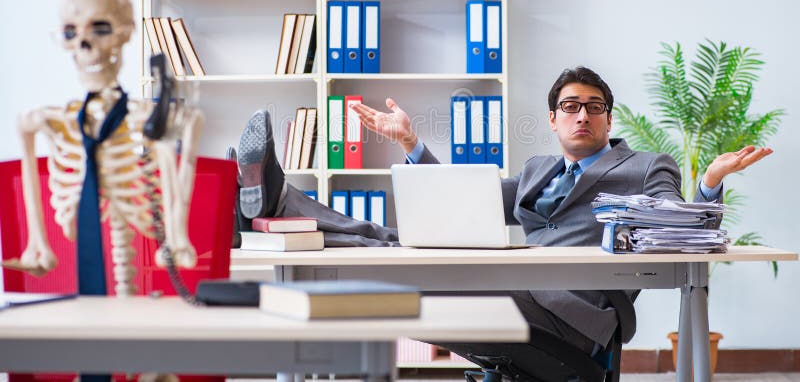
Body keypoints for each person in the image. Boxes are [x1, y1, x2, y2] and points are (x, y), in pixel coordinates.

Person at [233, 66, 771, 367]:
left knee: (395, 260)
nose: (581, 114)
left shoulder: (647, 165)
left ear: (609, 118)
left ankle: (272, 206)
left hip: (572, 311)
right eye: (570, 106)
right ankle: (276, 203)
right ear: (553, 119)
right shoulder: (537, 167)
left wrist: (709, 183)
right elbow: (463, 201)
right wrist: (412, 144)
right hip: (515, 287)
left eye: (593, 106)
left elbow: (671, 224)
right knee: (392, 237)